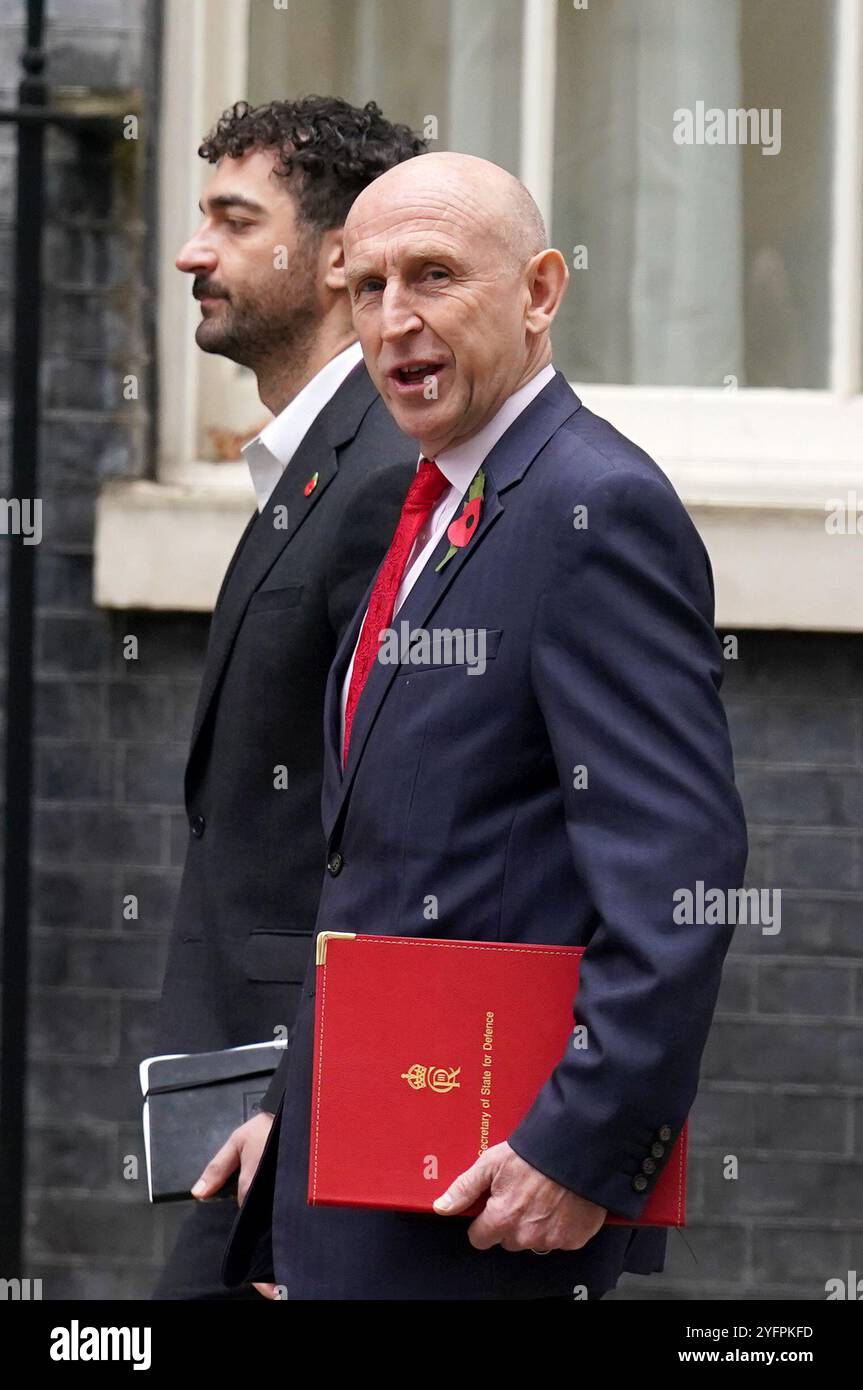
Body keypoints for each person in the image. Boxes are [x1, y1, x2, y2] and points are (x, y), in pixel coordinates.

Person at [223, 151, 748, 1301]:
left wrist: (580, 1148)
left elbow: (676, 877)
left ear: (540, 292)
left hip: (492, 1197)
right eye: (366, 287)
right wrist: (297, 1112)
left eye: (436, 276)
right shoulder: (429, 501)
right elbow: (394, 863)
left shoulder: (592, 507)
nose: (394, 321)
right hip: (375, 1163)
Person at [151, 97, 425, 1300]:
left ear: (330, 257)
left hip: (298, 1116)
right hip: (261, 1110)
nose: (190, 251)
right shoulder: (319, 460)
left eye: (229, 218)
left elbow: (399, 834)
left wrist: (308, 1113)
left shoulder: (381, 476)